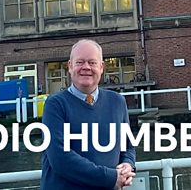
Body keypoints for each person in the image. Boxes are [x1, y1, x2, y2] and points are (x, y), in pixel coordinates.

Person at [41, 39, 136, 189]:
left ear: (102, 67)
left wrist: (127, 165)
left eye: (92, 62)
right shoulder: (55, 105)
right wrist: (111, 178)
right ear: (70, 66)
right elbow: (59, 158)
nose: (86, 67)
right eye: (80, 62)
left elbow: (127, 147)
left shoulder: (117, 102)